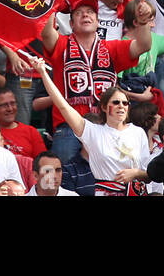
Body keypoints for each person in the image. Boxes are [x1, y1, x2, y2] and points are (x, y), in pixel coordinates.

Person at [35, 58, 151, 196]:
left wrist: (136, 173)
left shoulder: (137, 132)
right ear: (103, 107)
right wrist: (42, 72)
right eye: (116, 102)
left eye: (125, 103)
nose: (121, 106)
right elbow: (63, 106)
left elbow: (148, 175)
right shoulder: (93, 132)